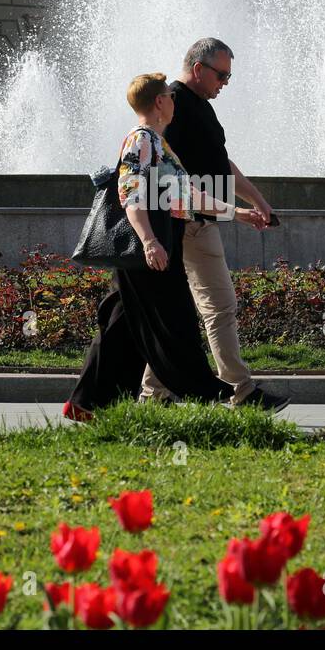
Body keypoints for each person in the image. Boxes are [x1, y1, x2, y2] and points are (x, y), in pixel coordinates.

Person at [63, 73, 264, 422]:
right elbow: (131, 194)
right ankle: (202, 388)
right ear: (159, 102)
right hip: (149, 250)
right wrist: (149, 241)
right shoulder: (141, 141)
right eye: (170, 96)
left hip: (155, 245)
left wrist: (239, 214)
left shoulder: (158, 144)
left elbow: (187, 196)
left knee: (121, 329)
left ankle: (86, 403)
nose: (174, 102)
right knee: (175, 318)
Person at [138, 38, 290, 413]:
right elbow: (168, 177)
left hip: (196, 221)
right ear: (198, 69)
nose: (225, 82)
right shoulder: (172, 105)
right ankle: (241, 392)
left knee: (185, 311)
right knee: (218, 306)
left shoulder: (199, 108)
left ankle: (154, 395)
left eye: (228, 76)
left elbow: (222, 165)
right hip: (186, 224)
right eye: (221, 75)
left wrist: (258, 200)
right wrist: (233, 211)